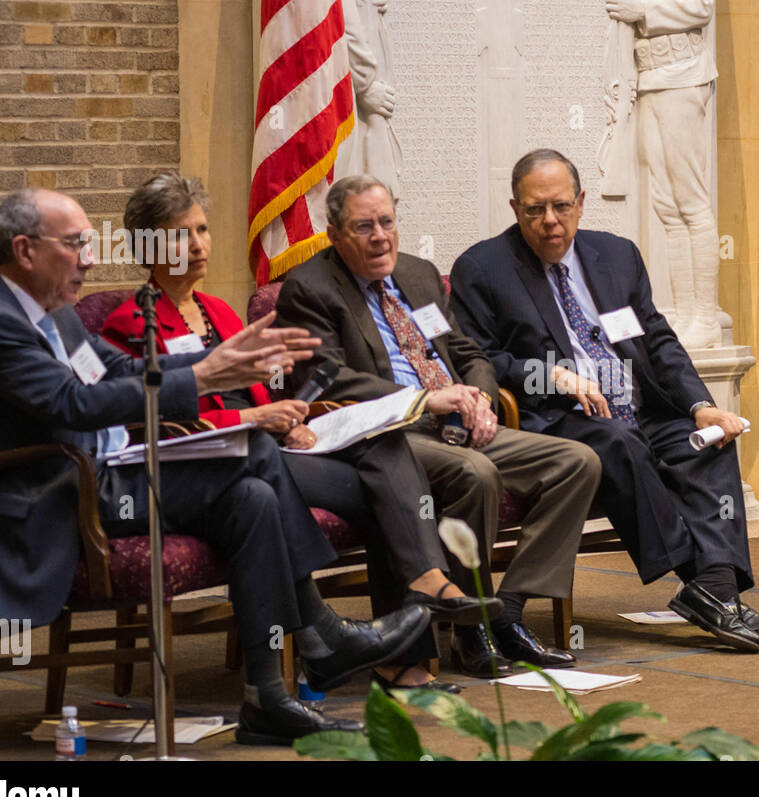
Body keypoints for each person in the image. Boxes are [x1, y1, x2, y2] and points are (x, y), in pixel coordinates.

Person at [0, 188, 431, 746]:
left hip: (111, 473)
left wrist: (219, 363)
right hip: (58, 495)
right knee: (254, 450)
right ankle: (321, 634)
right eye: (76, 243)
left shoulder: (51, 311)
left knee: (256, 499)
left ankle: (267, 698)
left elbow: (120, 371)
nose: (91, 257)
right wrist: (202, 380)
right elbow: (72, 404)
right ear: (25, 250)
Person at [99, 172, 496, 693]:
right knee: (390, 486)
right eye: (179, 235)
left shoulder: (219, 311)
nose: (197, 246)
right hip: (221, 460)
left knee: (385, 451)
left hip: (278, 447)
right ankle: (394, 630)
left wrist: (296, 419)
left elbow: (270, 392)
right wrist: (253, 423)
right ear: (147, 246)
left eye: (201, 230)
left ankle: (404, 651)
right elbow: (149, 422)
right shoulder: (131, 322)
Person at [274, 175, 602, 677]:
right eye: (364, 226)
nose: (381, 236)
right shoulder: (310, 288)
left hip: (458, 421)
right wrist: (428, 398)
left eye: (387, 221)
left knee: (576, 461)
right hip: (386, 435)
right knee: (474, 474)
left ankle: (507, 612)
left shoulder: (420, 274)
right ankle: (473, 633)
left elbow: (469, 353)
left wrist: (480, 401)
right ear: (334, 233)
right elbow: (327, 377)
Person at [450, 149, 759, 652]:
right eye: (535, 210)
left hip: (640, 407)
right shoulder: (482, 268)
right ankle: (703, 585)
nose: (549, 222)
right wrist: (551, 375)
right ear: (514, 208)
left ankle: (717, 588)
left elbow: (659, 341)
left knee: (710, 441)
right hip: (558, 418)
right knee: (619, 442)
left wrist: (699, 407)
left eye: (560, 206)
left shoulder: (617, 254)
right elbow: (476, 358)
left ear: (581, 202)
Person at [605, 0, 722, 348]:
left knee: (691, 201)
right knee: (667, 206)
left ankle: (705, 317)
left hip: (683, 74)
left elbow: (701, 9)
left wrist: (643, 12)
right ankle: (686, 315)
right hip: (650, 78)